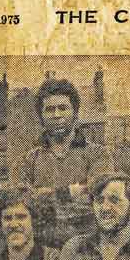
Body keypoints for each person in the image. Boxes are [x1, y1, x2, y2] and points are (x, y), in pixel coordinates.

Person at [14, 78, 114, 247]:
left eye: (63, 108)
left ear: (75, 113)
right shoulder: (29, 160)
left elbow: (97, 201)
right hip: (41, 250)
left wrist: (42, 198)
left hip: (86, 249)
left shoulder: (98, 155)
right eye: (50, 110)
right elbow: (22, 204)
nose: (57, 115)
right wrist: (69, 192)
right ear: (41, 117)